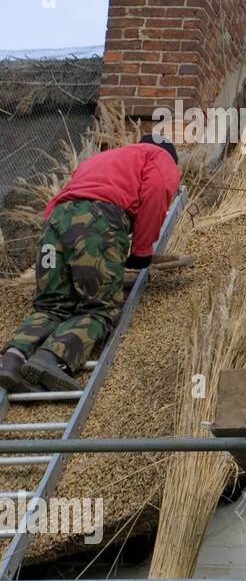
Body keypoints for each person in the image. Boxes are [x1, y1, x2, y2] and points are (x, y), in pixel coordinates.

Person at [0, 134, 181, 393]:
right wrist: (141, 251)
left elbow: (57, 203)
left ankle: (12, 361)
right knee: (99, 308)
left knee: (52, 305)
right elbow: (155, 192)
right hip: (96, 222)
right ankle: (52, 359)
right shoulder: (160, 157)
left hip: (55, 225)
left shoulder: (105, 158)